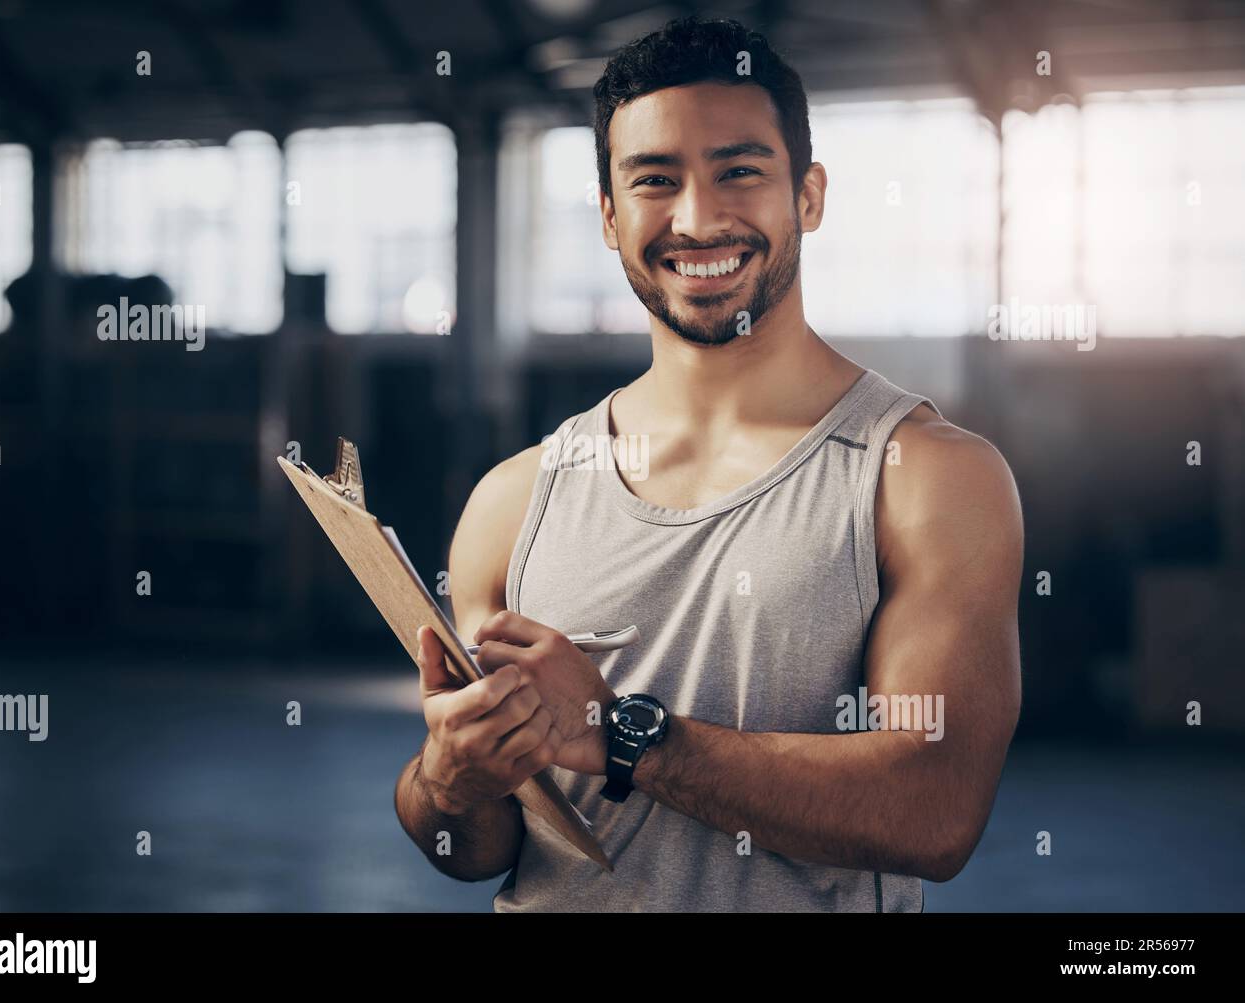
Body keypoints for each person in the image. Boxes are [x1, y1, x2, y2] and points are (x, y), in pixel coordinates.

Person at [395, 14, 1022, 912]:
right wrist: (448, 780)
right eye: (655, 180)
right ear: (609, 216)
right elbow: (479, 847)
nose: (697, 219)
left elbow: (935, 811)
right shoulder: (513, 501)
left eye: (739, 171)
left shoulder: (925, 478)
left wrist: (620, 735)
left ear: (808, 196)